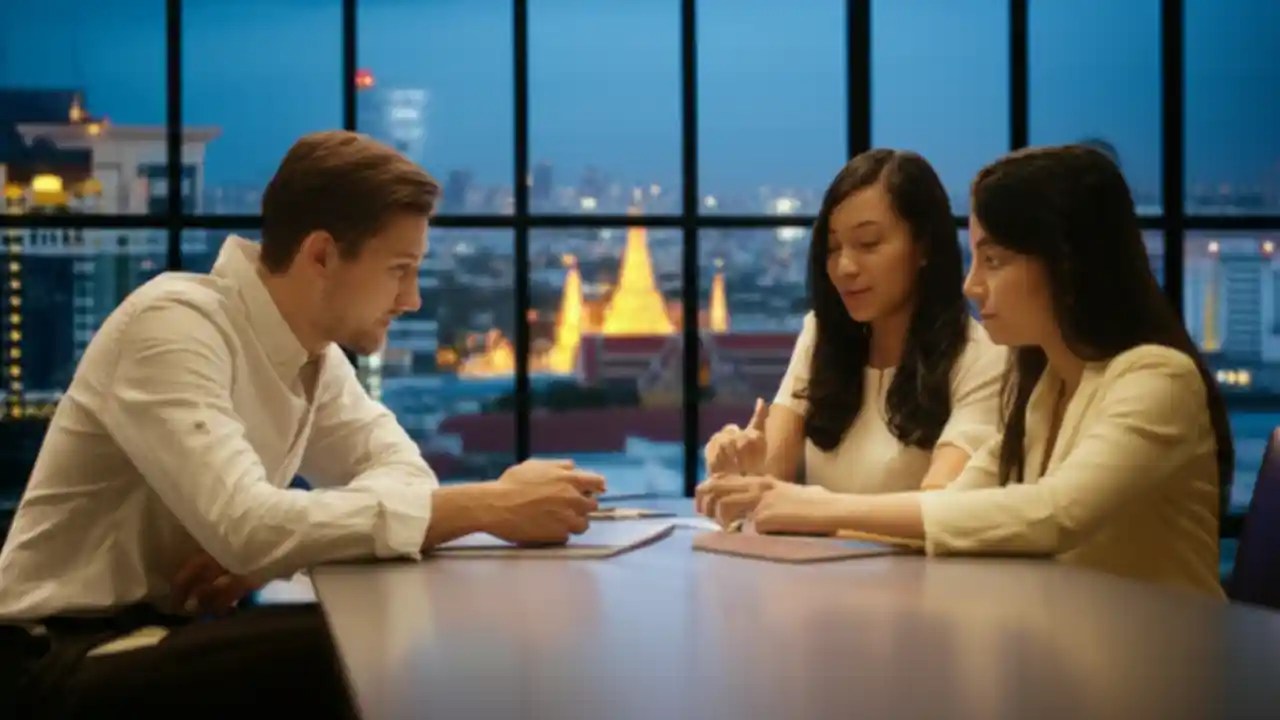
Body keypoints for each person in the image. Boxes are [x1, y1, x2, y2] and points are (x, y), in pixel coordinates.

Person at [0, 130, 605, 718]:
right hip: (52, 657)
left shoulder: (312, 356)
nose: (413, 298)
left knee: (376, 631)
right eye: (400, 269)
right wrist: (487, 506)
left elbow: (402, 479)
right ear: (320, 254)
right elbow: (250, 523)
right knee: (350, 651)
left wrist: (261, 552)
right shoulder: (174, 326)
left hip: (154, 636)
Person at [699, 144, 1234, 598]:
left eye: (994, 261)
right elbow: (956, 513)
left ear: (1067, 262)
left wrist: (816, 508)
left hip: (1165, 672)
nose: (973, 285)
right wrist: (788, 506)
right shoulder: (1047, 388)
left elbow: (1053, 513)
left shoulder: (1158, 379)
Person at [702, 149, 1005, 502]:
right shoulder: (821, 335)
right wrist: (743, 467)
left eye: (868, 243)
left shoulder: (980, 358)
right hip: (809, 556)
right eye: (832, 247)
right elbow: (769, 482)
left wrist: (807, 509)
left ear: (923, 246)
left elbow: (937, 511)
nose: (845, 266)